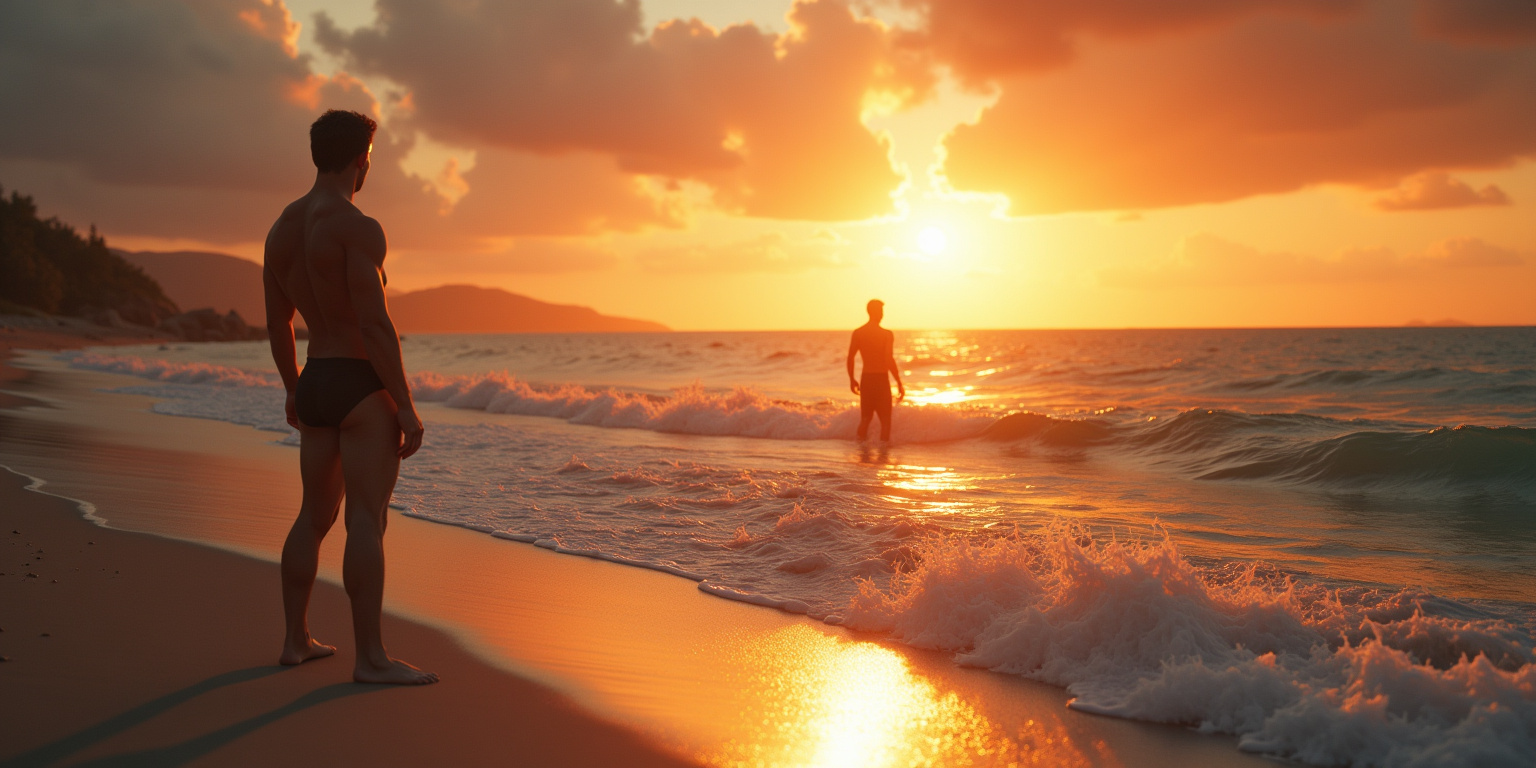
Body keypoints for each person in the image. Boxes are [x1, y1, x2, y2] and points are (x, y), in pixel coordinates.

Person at [263, 109, 436, 685]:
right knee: (367, 519)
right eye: (371, 156)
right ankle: (372, 660)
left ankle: (295, 641)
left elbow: (279, 323)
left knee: (313, 517)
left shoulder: (281, 230)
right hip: (362, 387)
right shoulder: (358, 227)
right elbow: (376, 325)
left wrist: (293, 389)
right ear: (362, 158)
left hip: (315, 379)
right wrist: (405, 404)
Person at [847, 299, 905, 442]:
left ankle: (861, 450)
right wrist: (899, 382)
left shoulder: (859, 333)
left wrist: (852, 379)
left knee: (865, 418)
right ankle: (883, 454)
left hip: (866, 379)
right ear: (876, 312)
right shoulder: (886, 334)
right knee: (885, 421)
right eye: (881, 311)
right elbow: (888, 359)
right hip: (881, 380)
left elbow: (850, 357)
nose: (882, 314)